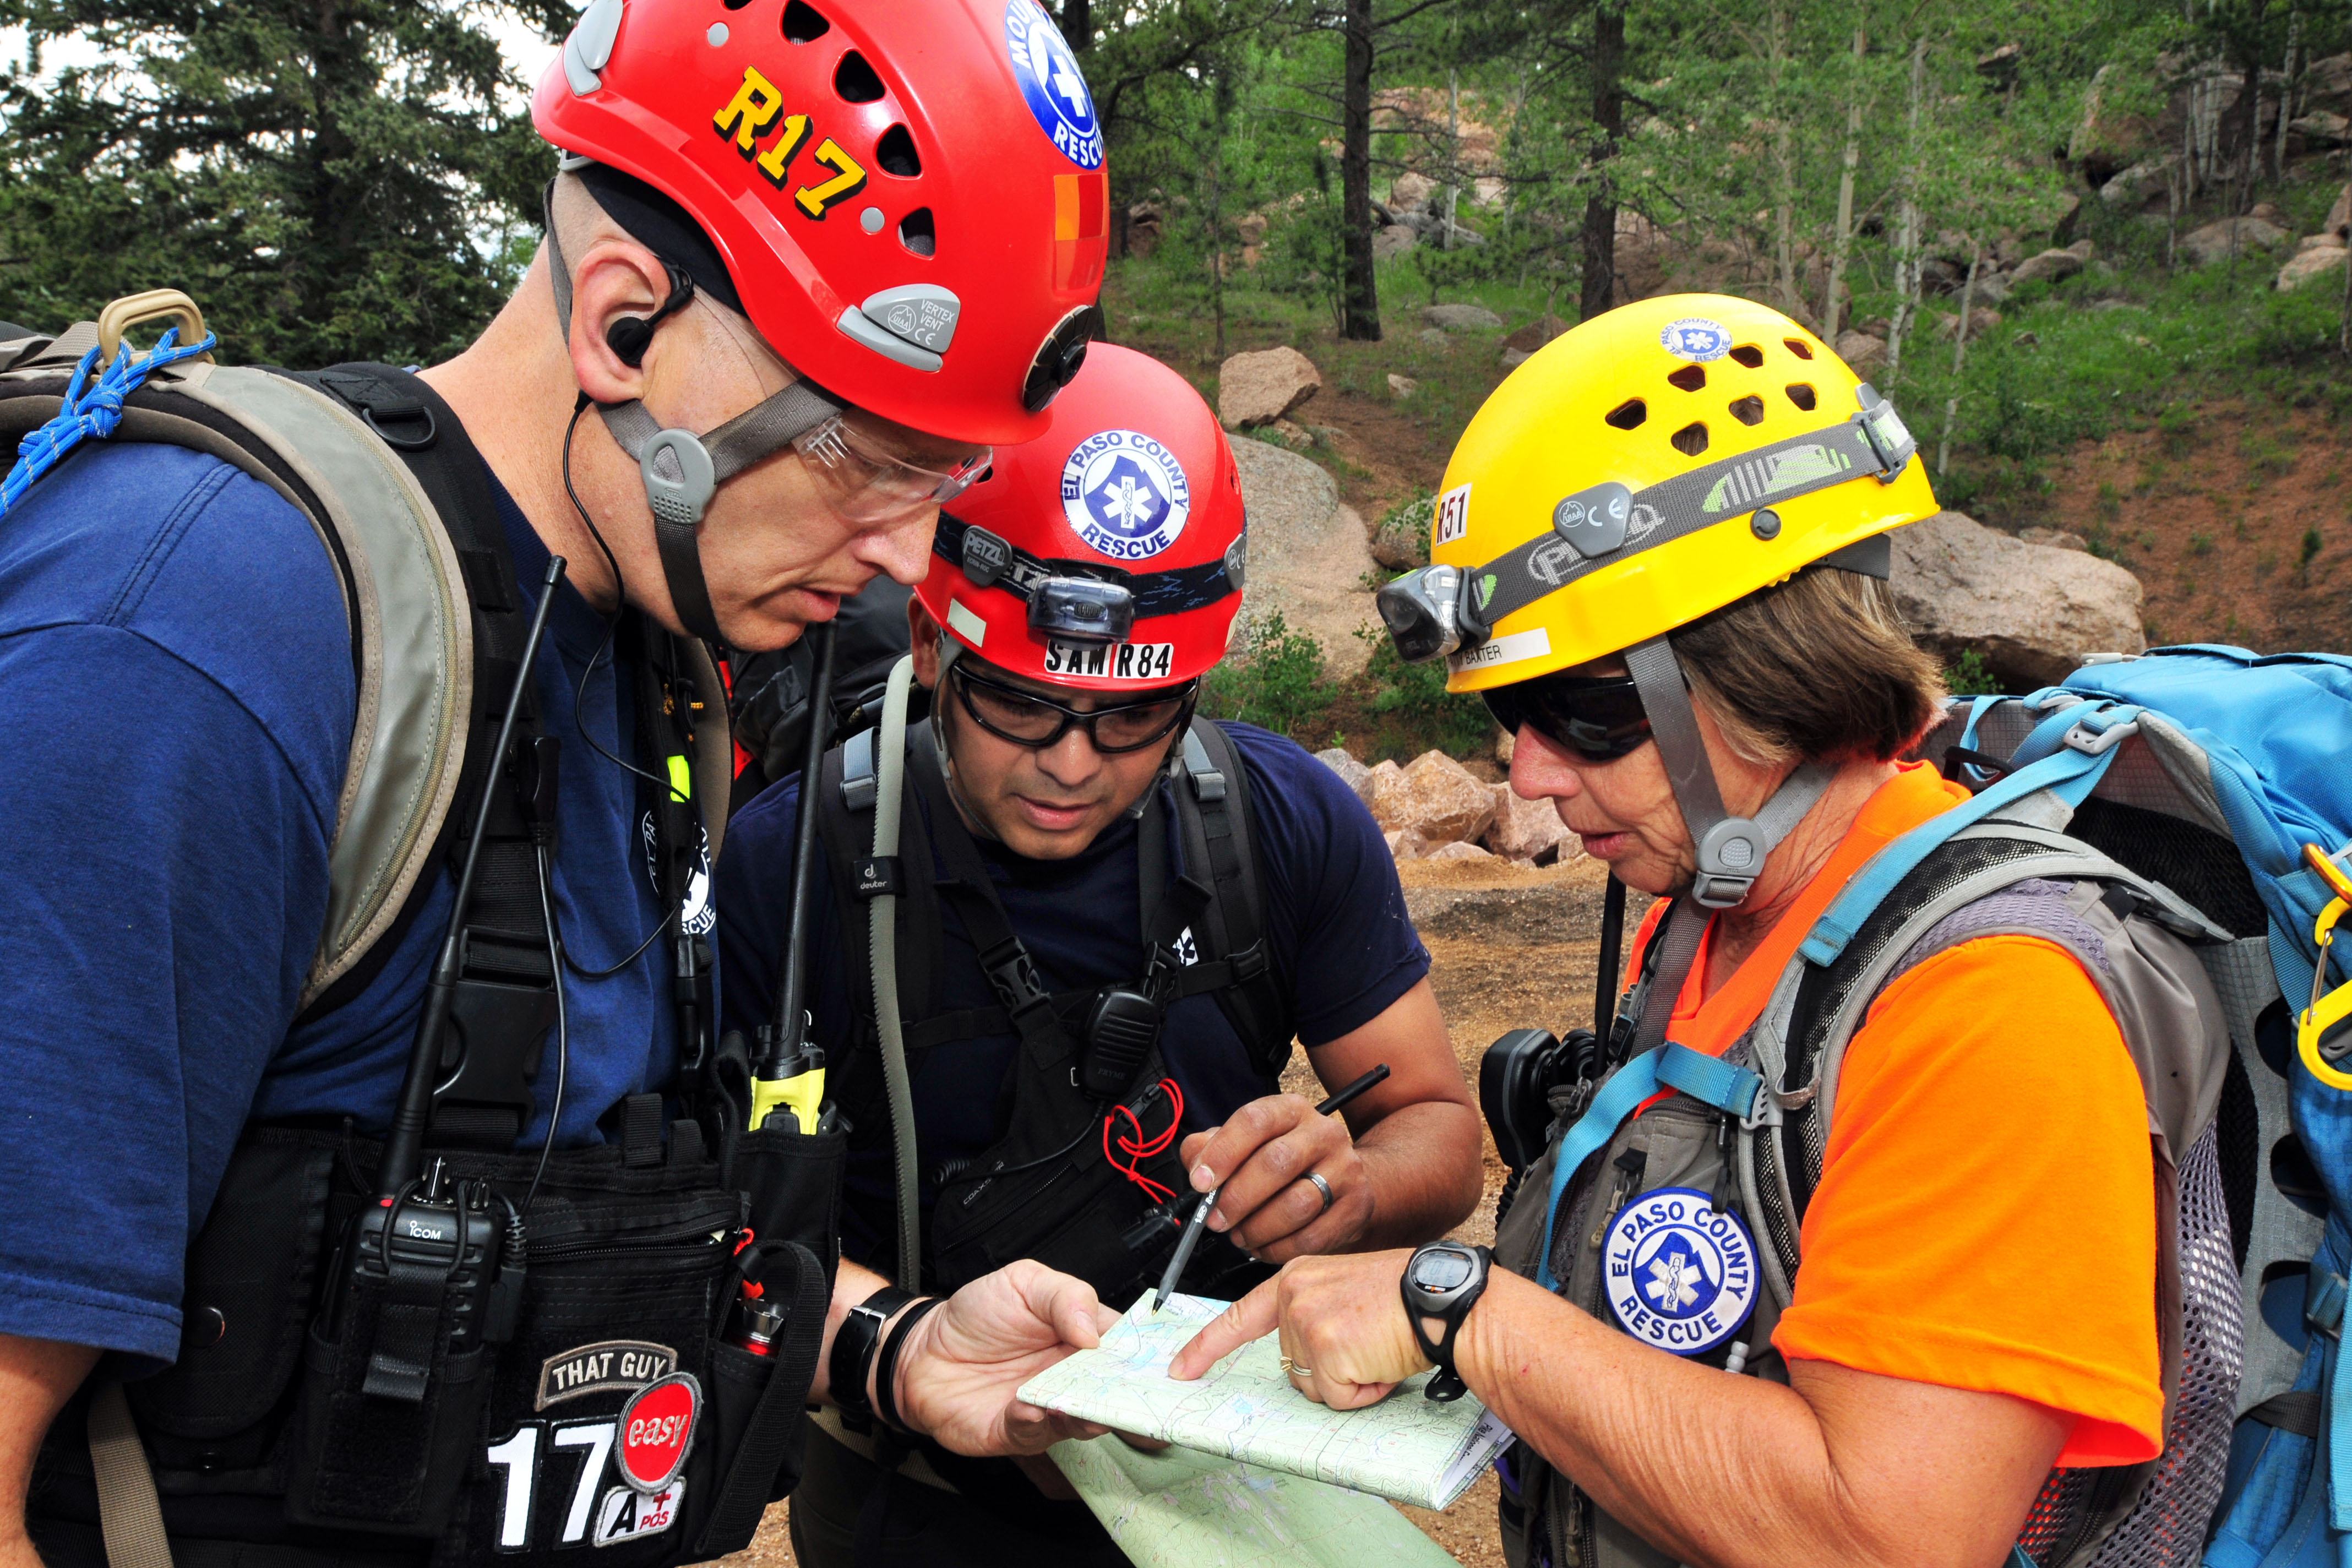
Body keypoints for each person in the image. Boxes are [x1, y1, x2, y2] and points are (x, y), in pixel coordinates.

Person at [0, 2, 1129, 1564]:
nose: (911, 565)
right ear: (621, 322)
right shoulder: (206, 634)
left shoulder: (633, 642)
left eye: (949, 486)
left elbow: (540, 1211)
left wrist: (891, 1348)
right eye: (869, 460)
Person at [1173, 294, 2236, 1568]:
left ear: (1763, 661)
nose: (1531, 777)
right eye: (1510, 712)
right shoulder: (1705, 917)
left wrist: (1469, 1316)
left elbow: (1890, 1532)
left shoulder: (1996, 1002)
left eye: (1580, 710)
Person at [715, 341, 1484, 1565]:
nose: (1074, 762)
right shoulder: (792, 866)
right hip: (920, 1491)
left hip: (1225, 1481)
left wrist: (1347, 1187)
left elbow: (1439, 1133)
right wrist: (903, 1347)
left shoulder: (1279, 823)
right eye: (1020, 699)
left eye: (1133, 712)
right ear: (930, 645)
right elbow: (722, 1225)